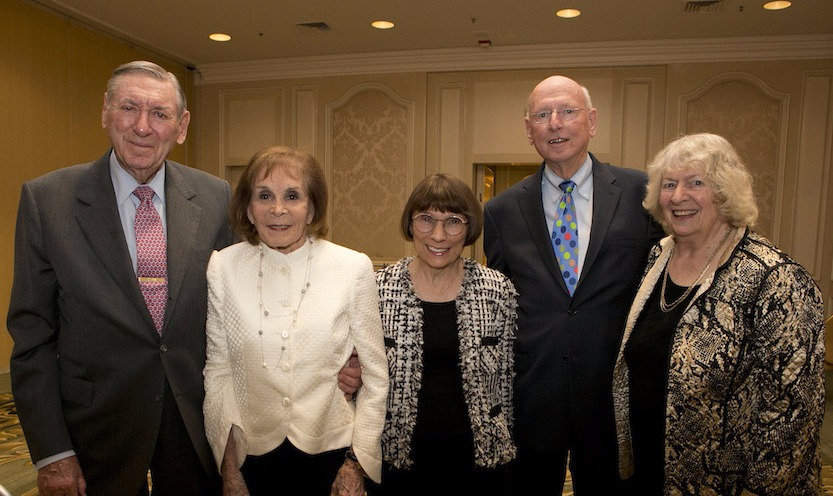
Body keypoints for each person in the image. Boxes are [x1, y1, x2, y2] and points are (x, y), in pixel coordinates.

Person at [7, 61, 235, 495]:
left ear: (182, 126)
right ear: (105, 112)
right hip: (93, 432)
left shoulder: (215, 196)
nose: (142, 127)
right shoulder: (47, 200)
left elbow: (244, 308)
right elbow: (33, 339)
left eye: (160, 113)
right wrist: (52, 452)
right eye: (129, 107)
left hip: (193, 427)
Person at [612, 133, 825, 495]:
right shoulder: (657, 258)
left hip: (727, 484)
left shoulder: (776, 279)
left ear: (725, 192)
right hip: (648, 471)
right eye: (669, 184)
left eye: (696, 183)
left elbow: (792, 415)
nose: (678, 196)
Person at [483, 75, 663, 494]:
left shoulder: (642, 193)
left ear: (592, 121)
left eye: (567, 111)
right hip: (533, 393)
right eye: (542, 115)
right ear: (528, 129)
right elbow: (500, 306)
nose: (555, 123)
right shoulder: (501, 210)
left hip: (613, 393)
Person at [202, 145, 388, 496]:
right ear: (248, 208)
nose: (278, 209)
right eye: (264, 196)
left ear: (311, 208)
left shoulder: (352, 268)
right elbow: (218, 373)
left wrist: (356, 463)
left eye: (292, 196)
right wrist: (228, 468)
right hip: (251, 458)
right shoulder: (224, 267)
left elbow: (377, 378)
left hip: (333, 456)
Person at [367, 173, 518, 496]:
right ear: (410, 224)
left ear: (469, 228)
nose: (438, 235)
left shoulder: (496, 290)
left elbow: (507, 383)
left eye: (453, 221)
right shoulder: (378, 290)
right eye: (426, 219)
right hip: (397, 461)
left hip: (479, 464)